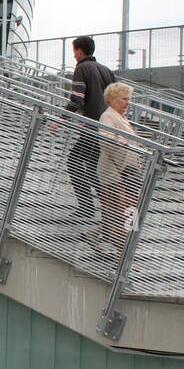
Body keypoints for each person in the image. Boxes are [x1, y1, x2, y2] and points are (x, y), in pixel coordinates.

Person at [60, 36, 116, 222]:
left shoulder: (82, 68)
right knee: (92, 167)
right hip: (106, 127)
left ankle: (87, 208)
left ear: (79, 51)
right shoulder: (106, 70)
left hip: (92, 128)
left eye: (74, 51)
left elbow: (76, 98)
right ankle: (108, 211)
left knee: (74, 161)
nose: (73, 54)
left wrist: (59, 120)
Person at [91, 83, 142, 254]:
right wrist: (118, 140)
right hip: (116, 172)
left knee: (128, 208)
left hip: (127, 171)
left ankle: (124, 241)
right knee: (123, 210)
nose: (128, 103)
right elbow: (105, 139)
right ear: (112, 99)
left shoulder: (120, 117)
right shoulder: (108, 116)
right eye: (124, 99)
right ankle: (124, 249)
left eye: (129, 99)